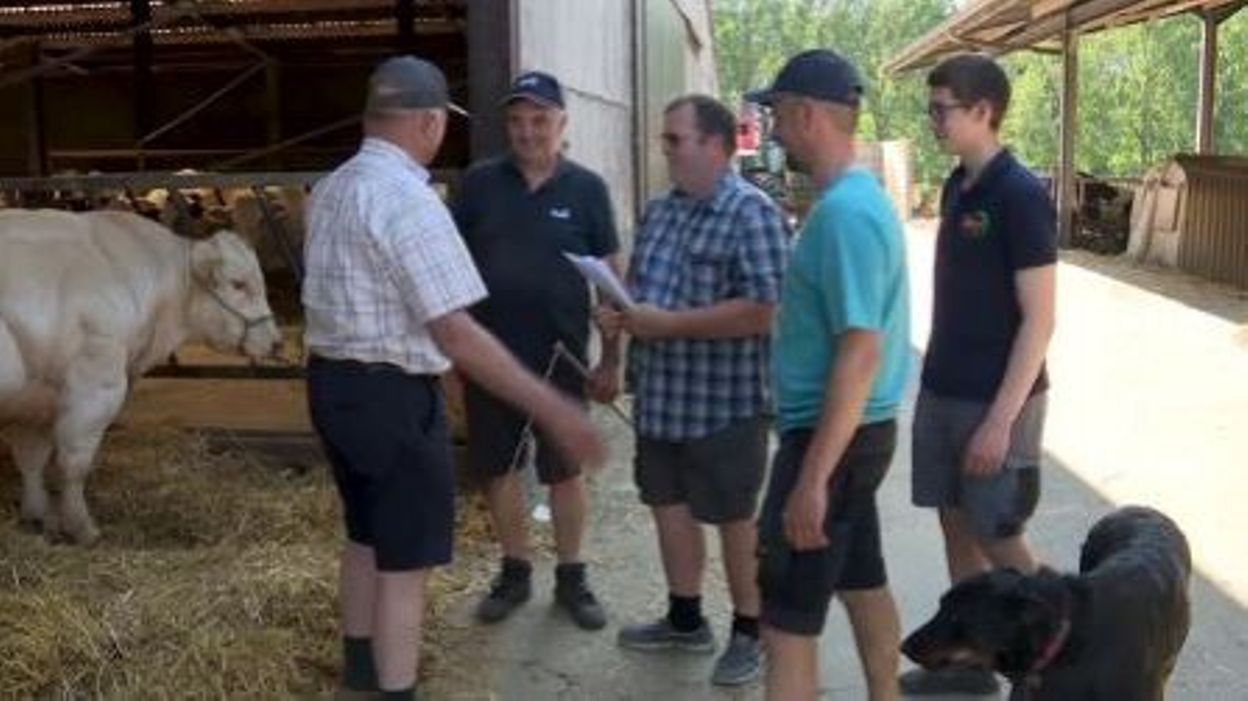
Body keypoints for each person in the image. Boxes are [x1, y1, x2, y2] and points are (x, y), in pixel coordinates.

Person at [302, 56, 605, 701]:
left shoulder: (330, 189)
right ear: (431, 123)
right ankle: (396, 689)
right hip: (391, 396)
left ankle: (359, 671)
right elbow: (457, 332)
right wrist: (552, 406)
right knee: (404, 565)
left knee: (364, 534)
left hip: (332, 387)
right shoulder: (409, 200)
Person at [599, 94, 789, 687]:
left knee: (735, 520)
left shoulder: (752, 213)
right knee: (669, 508)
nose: (666, 150)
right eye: (667, 139)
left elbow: (765, 310)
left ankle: (750, 632)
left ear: (715, 145)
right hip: (661, 400)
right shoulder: (661, 211)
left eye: (675, 139)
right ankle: (686, 620)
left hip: (725, 405)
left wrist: (670, 324)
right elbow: (642, 291)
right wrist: (621, 316)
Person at [745, 49, 911, 701]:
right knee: (861, 580)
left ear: (808, 114)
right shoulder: (856, 201)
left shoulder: (845, 215)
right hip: (853, 433)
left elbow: (860, 350)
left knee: (785, 618)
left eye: (778, 114)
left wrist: (812, 479)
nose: (774, 130)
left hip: (831, 436)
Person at [900, 53, 1057, 696]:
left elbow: (1039, 321)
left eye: (943, 109)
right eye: (931, 108)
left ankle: (1060, 663)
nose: (933, 120)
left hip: (997, 402)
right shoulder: (956, 187)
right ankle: (971, 664)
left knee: (1001, 538)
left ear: (984, 111)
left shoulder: (1020, 196)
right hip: (944, 388)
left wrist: (999, 422)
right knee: (956, 523)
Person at [453, 70, 622, 631]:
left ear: (562, 123)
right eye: (517, 121)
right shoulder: (478, 184)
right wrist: (451, 354)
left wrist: (611, 360)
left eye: (540, 120)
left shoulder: (587, 190)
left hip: (561, 358)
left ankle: (572, 576)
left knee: (564, 471)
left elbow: (611, 280)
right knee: (498, 468)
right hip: (490, 356)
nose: (527, 131)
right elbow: (450, 266)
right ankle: (515, 570)